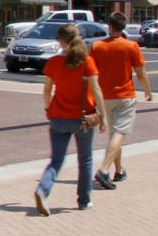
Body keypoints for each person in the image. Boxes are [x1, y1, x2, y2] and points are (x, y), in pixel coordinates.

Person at [34, 23, 108, 216]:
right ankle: (84, 200)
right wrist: (103, 115)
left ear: (61, 40)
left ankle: (43, 189)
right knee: (85, 160)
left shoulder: (53, 62)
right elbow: (97, 90)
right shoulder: (87, 62)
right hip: (83, 117)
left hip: (58, 116)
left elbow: (47, 90)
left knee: (56, 160)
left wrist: (48, 108)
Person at [91, 11, 152, 188]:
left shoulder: (97, 47)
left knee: (114, 135)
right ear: (123, 27)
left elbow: (90, 73)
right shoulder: (131, 46)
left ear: (109, 26)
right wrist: (148, 90)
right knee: (120, 133)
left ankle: (119, 170)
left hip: (104, 97)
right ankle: (104, 170)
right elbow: (141, 73)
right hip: (125, 96)